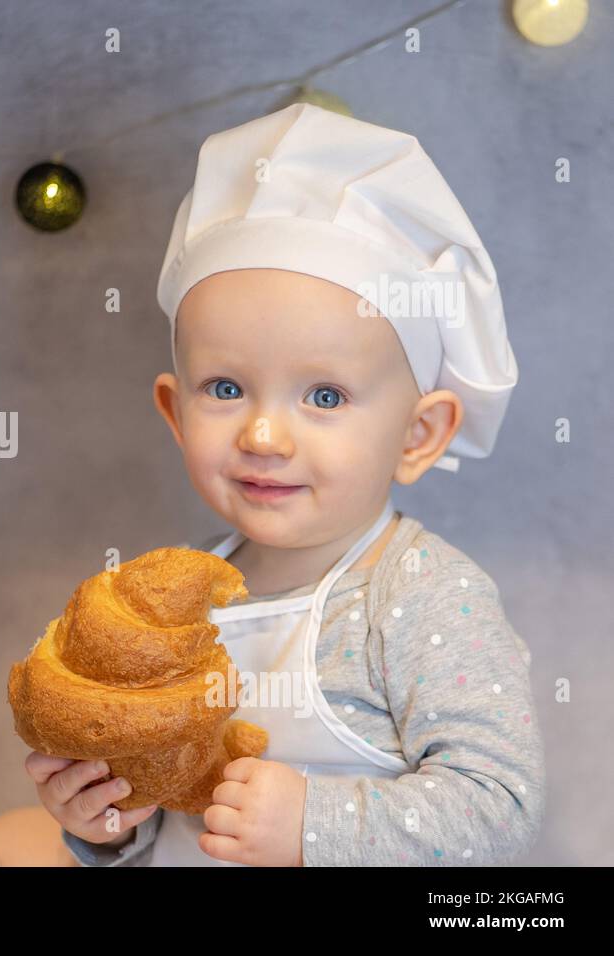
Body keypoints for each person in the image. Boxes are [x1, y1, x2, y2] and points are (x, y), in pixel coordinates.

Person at [32, 102, 541, 866]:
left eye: (325, 397)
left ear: (418, 434)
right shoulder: (182, 598)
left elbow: (500, 808)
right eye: (227, 388)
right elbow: (170, 816)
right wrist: (108, 822)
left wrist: (316, 823)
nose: (264, 436)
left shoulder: (422, 596)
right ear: (175, 411)